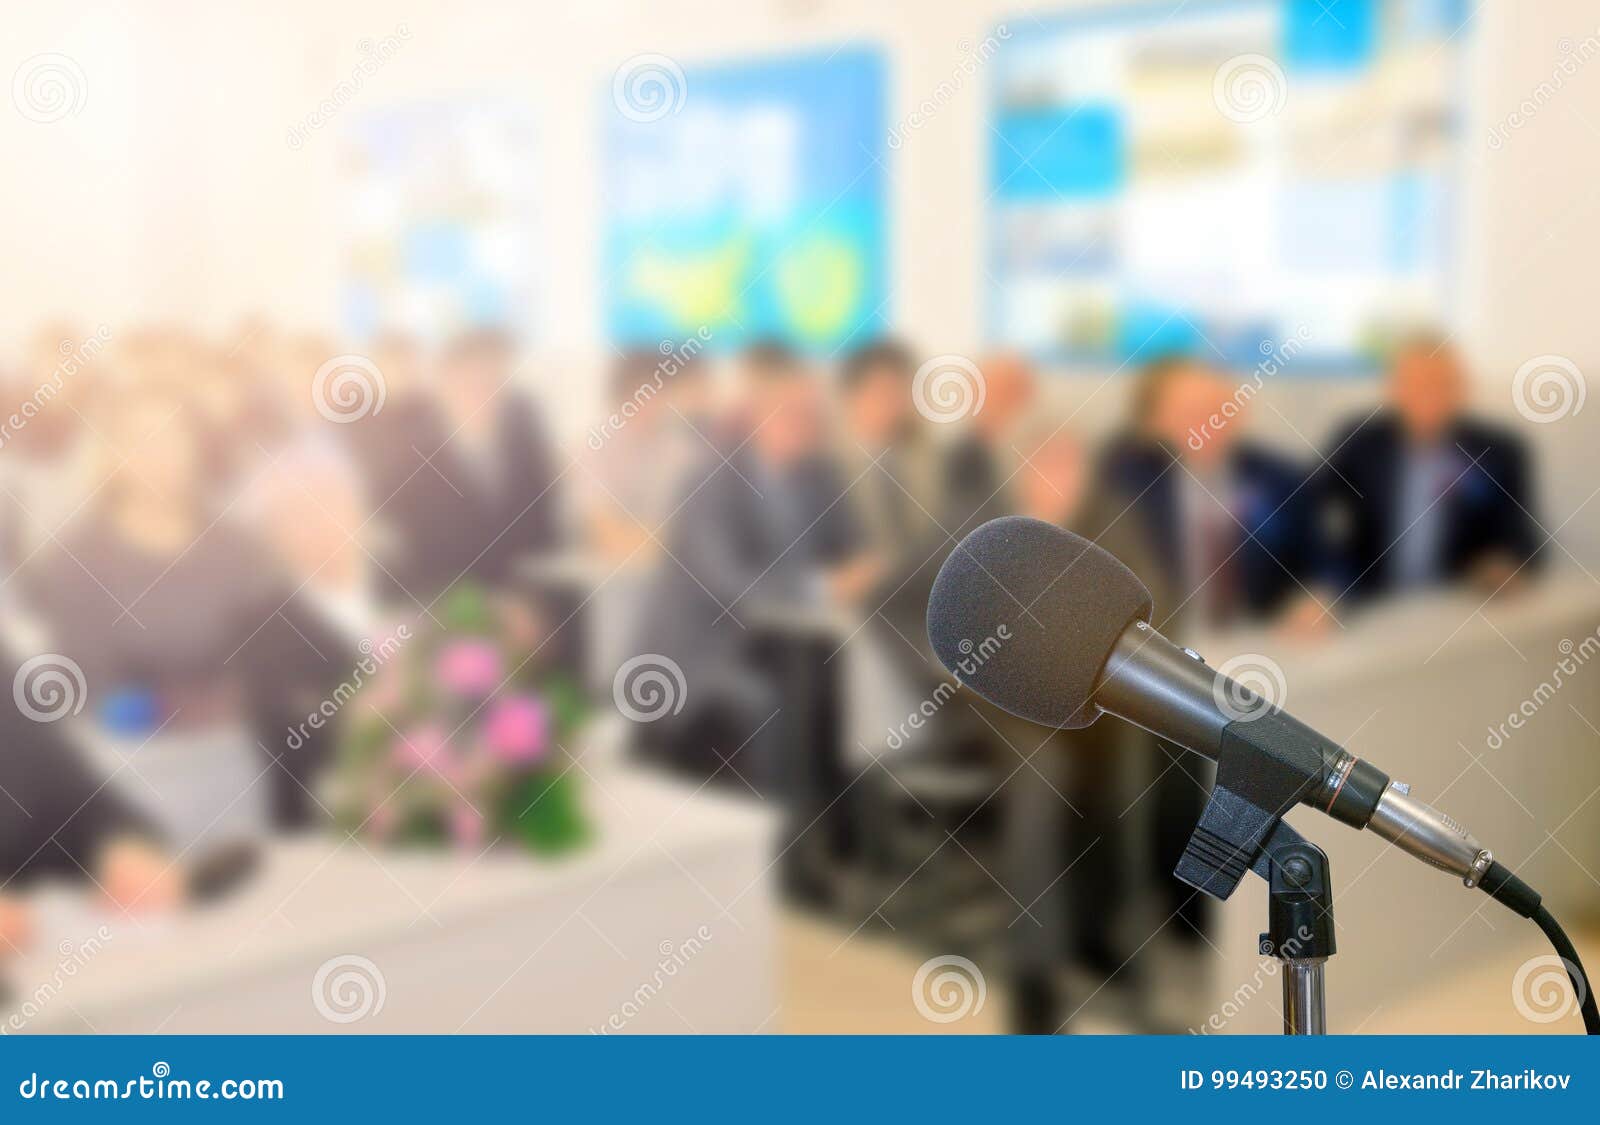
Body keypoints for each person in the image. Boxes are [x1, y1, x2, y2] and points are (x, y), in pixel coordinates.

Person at [1095, 354, 1317, 629]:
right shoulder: (1126, 478)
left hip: (1265, 637)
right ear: (1154, 422)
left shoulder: (1278, 475)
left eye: (1221, 406)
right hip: (1161, 638)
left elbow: (1324, 557)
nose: (1212, 420)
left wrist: (1318, 598)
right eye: (1190, 410)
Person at [1316, 335, 1541, 603]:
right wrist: (1326, 581)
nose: (1428, 394)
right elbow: (1307, 508)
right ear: (1394, 389)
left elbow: (1524, 537)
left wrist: (1505, 562)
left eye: (1440, 384)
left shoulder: (1499, 451)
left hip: (1461, 602)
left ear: (1461, 390)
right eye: (1415, 383)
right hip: (1369, 601)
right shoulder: (1360, 442)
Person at [942, 351, 1037, 535]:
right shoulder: (962, 457)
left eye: (1011, 393)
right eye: (995, 393)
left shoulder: (1037, 448)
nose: (1002, 404)